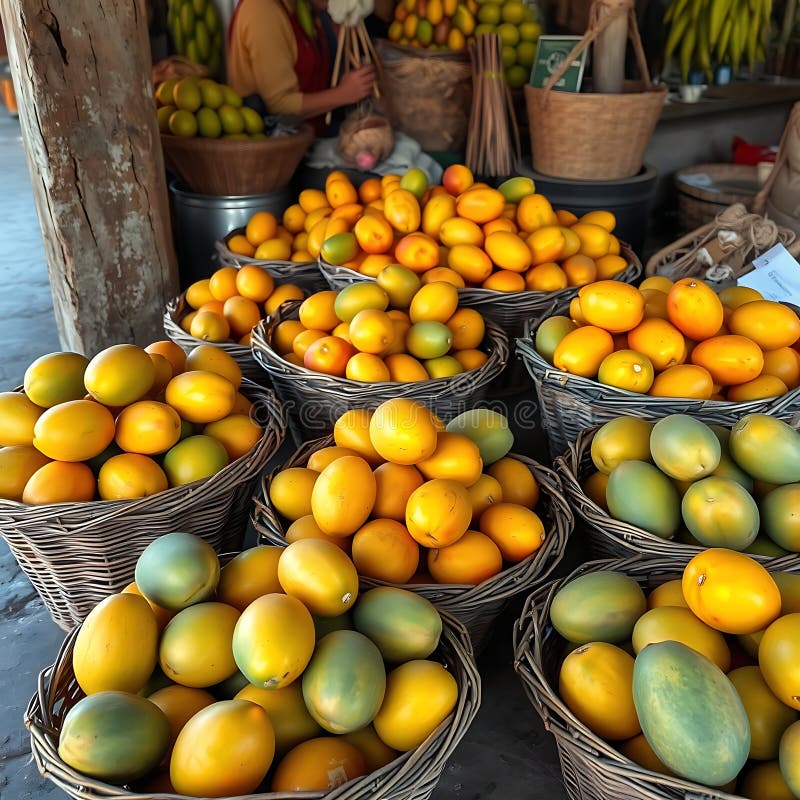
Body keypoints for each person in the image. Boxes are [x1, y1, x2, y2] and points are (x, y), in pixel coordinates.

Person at [227, 0, 375, 135]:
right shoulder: (261, 12)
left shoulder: (299, 6)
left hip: (314, 134)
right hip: (279, 146)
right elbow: (280, 106)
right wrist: (344, 93)